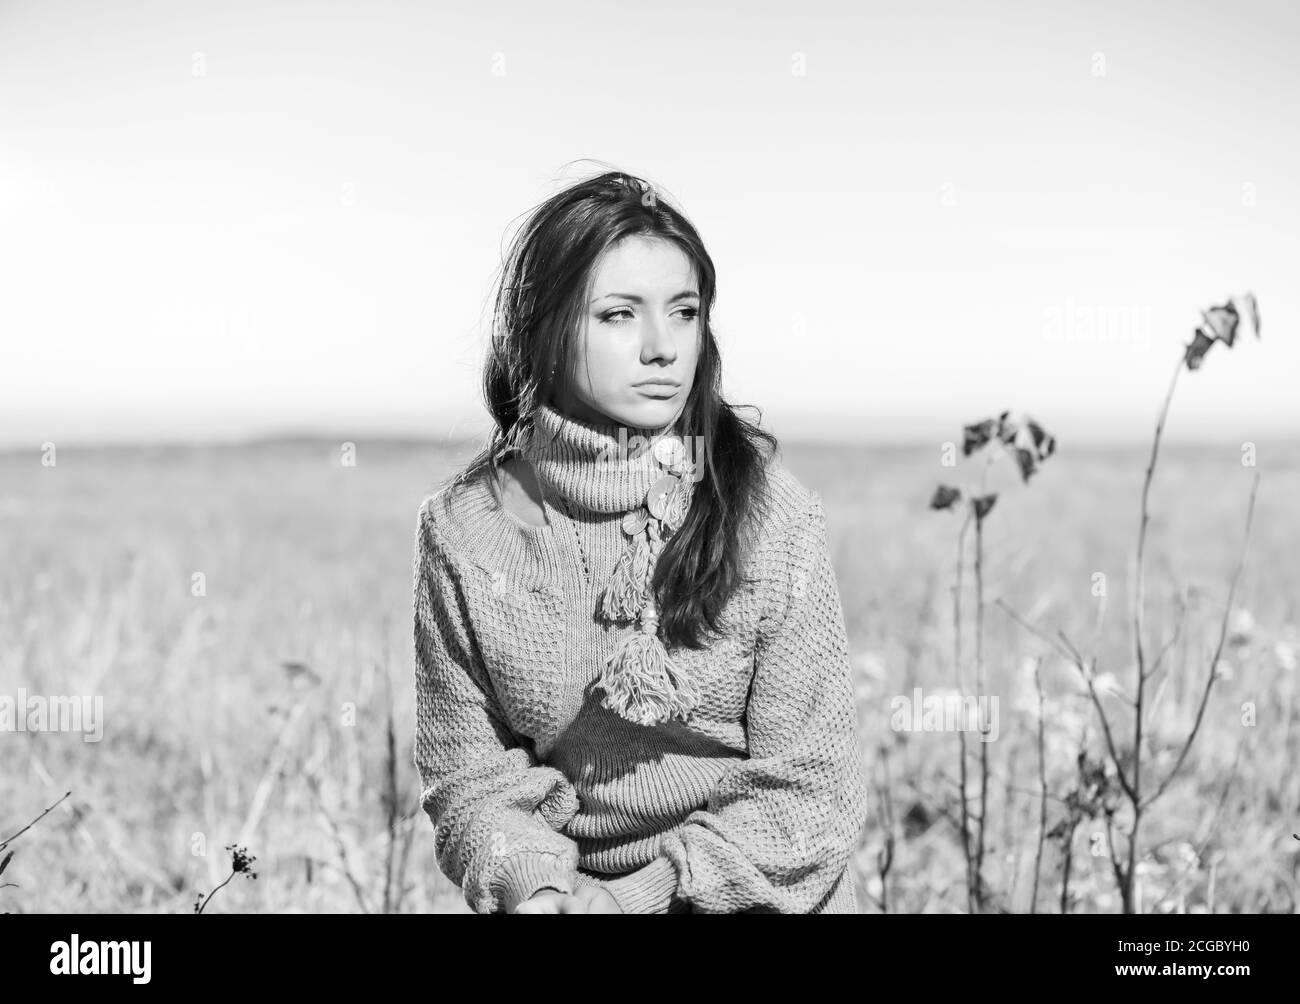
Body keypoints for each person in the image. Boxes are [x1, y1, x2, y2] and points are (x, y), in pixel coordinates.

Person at [412, 169, 868, 914]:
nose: (663, 347)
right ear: (544, 328)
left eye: (683, 312)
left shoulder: (769, 515)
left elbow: (811, 791)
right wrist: (540, 887)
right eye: (619, 315)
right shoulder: (464, 529)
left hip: (752, 898)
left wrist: (639, 900)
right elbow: (472, 780)